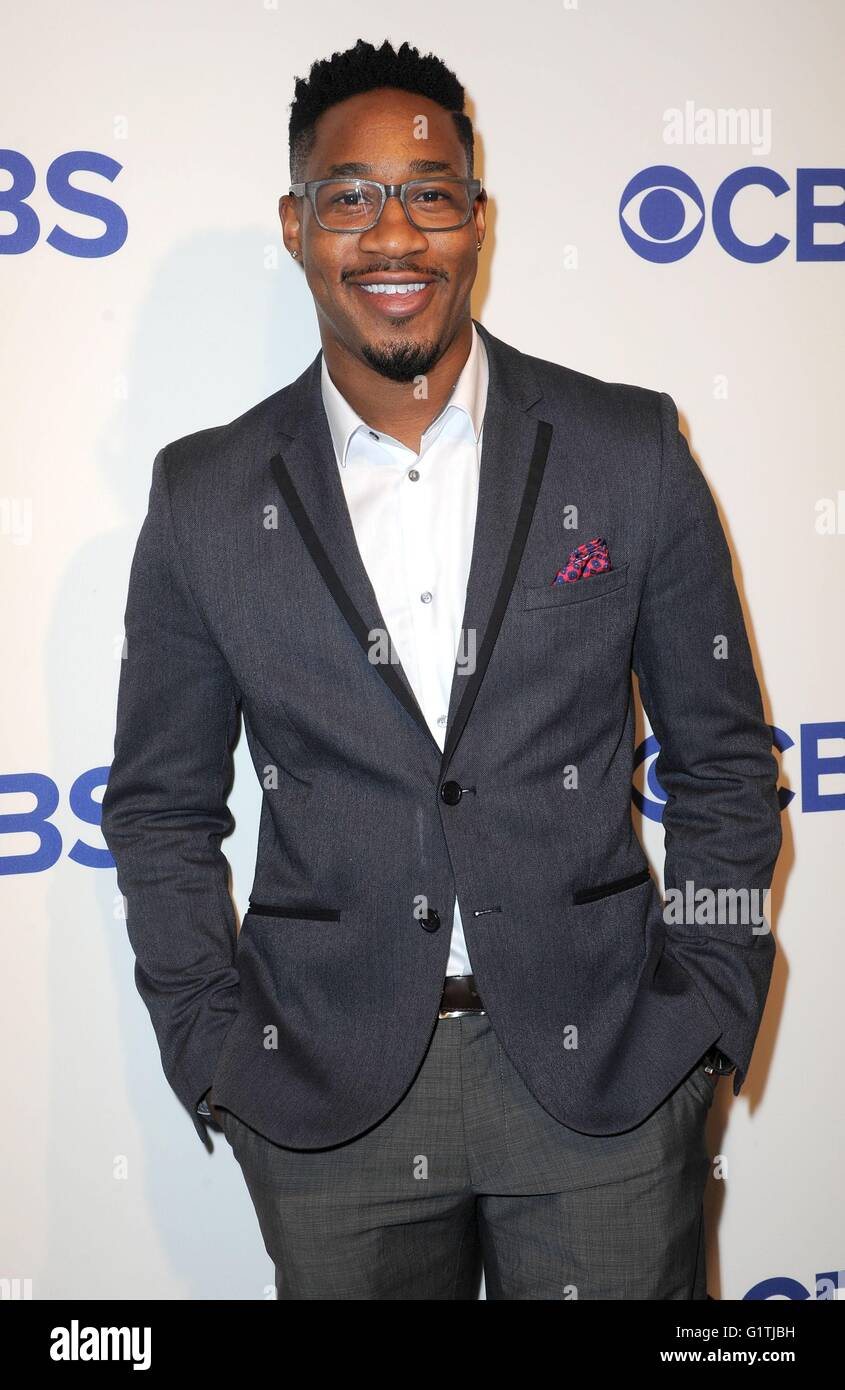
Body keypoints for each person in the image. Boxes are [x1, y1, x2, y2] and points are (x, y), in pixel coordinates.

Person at [100, 38, 782, 1300]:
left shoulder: (624, 449)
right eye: (350, 196)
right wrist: (212, 1048)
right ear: (297, 226)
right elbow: (158, 808)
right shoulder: (204, 497)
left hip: (610, 1086)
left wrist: (708, 1008)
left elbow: (726, 765)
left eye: (429, 192)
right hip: (322, 1097)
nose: (393, 234)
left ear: (477, 219)